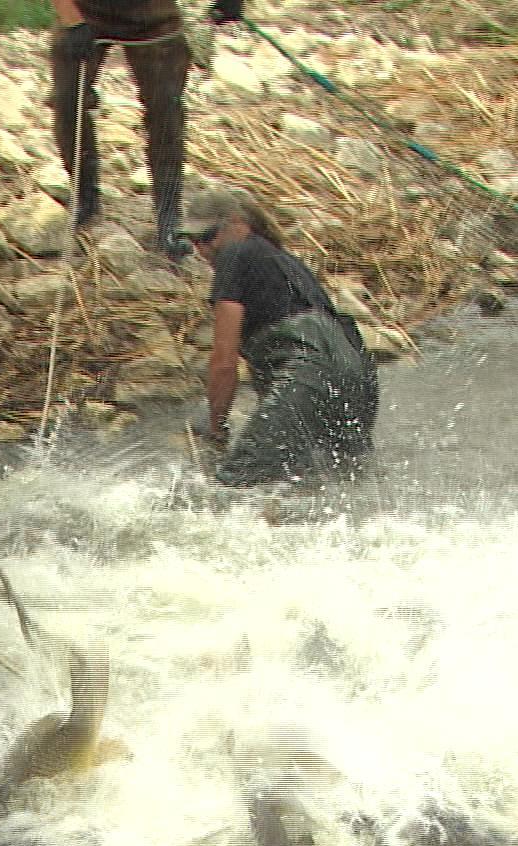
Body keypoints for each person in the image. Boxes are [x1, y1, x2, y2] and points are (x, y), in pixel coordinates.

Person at [183, 185, 380, 486]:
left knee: (234, 487)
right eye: (192, 240)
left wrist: (217, 428)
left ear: (238, 223)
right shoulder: (285, 261)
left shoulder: (234, 253)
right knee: (331, 479)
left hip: (309, 369)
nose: (202, 249)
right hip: (357, 371)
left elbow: (224, 361)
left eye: (208, 236)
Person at [51, 0, 244, 257]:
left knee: (166, 106)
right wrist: (73, 22)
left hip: (154, 13)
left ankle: (169, 215)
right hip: (83, 8)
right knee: (68, 102)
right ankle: (85, 196)